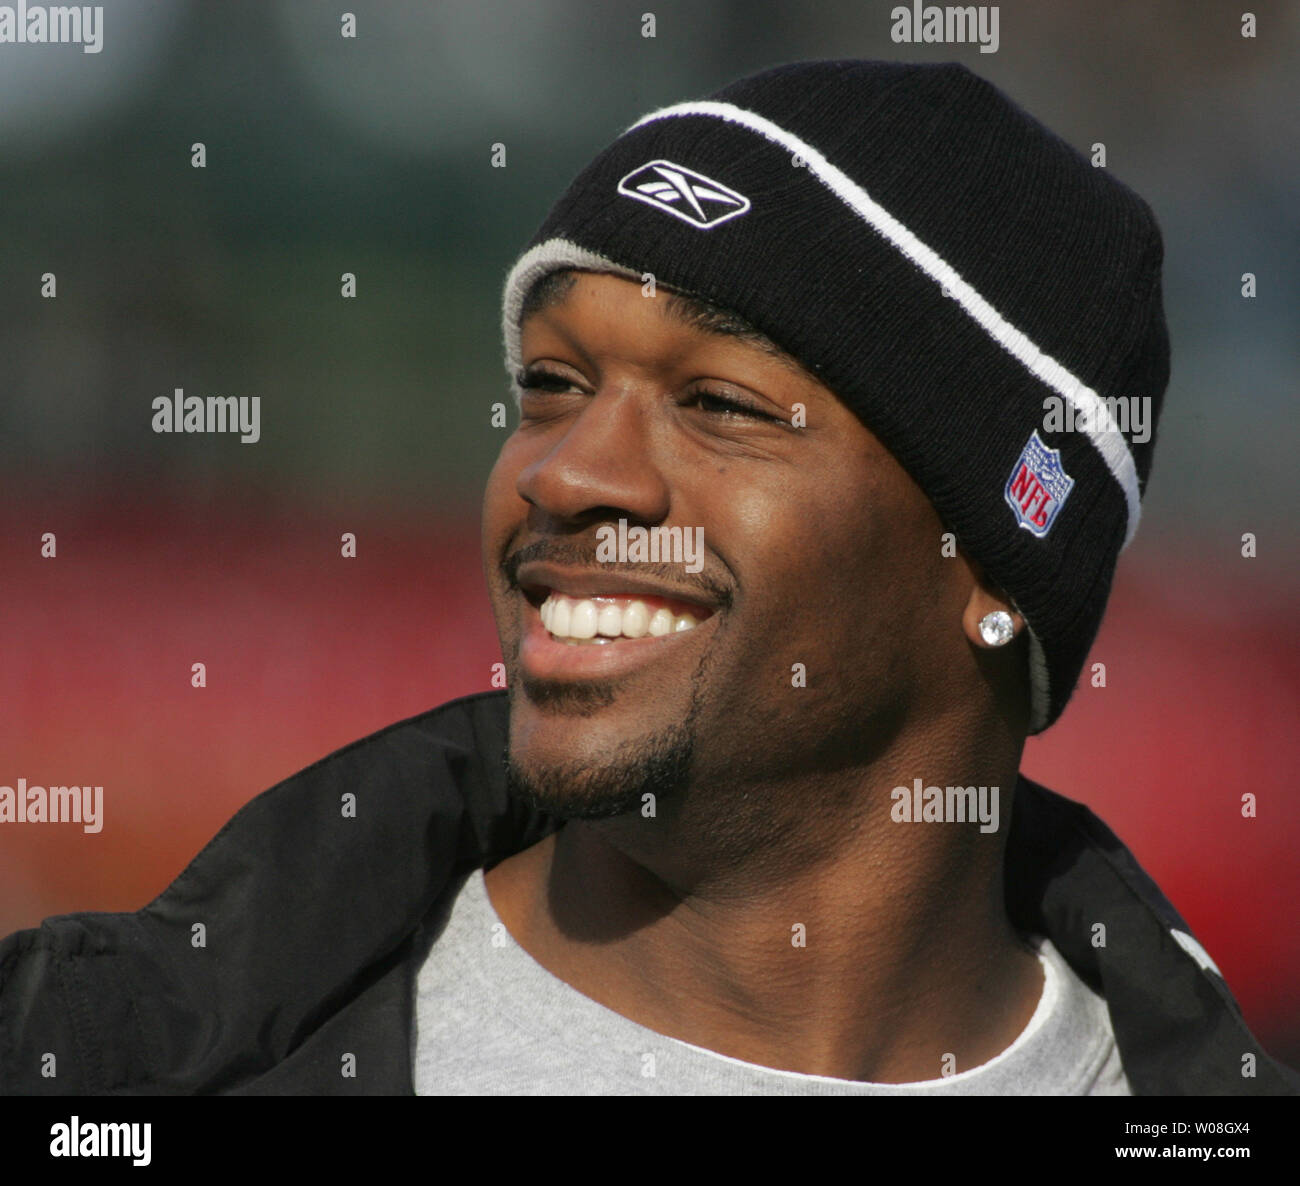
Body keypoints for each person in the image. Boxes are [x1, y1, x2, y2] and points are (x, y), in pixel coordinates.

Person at [1, 59, 1294, 1096]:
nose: (564, 474)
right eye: (552, 385)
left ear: (998, 561)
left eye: (719, 403)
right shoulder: (117, 1061)